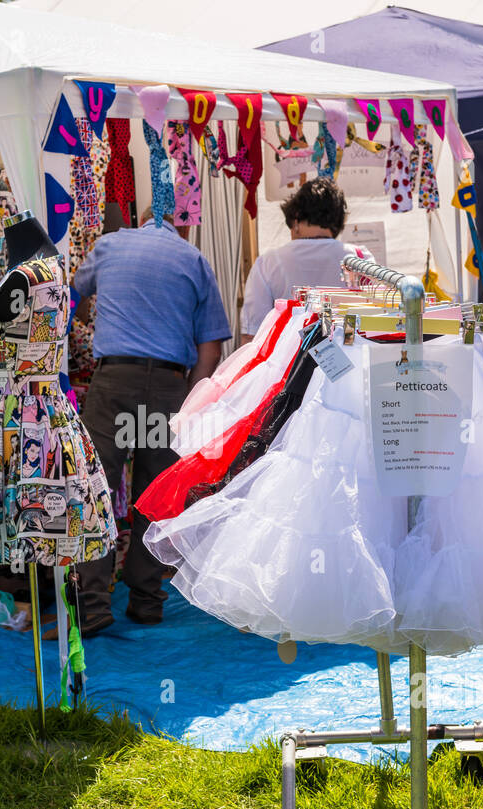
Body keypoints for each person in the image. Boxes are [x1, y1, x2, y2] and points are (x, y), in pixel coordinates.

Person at [72, 206, 231, 631]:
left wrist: (95, 313)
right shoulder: (194, 260)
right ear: (184, 226)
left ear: (143, 217)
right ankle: (146, 600)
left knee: (97, 491)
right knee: (153, 496)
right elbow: (210, 350)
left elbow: (68, 294)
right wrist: (190, 403)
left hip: (114, 380)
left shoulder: (109, 245)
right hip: (165, 386)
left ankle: (91, 605)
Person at [239, 179, 370, 345]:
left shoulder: (268, 263)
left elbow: (253, 334)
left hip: (289, 363)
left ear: (295, 220)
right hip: (351, 356)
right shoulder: (360, 258)